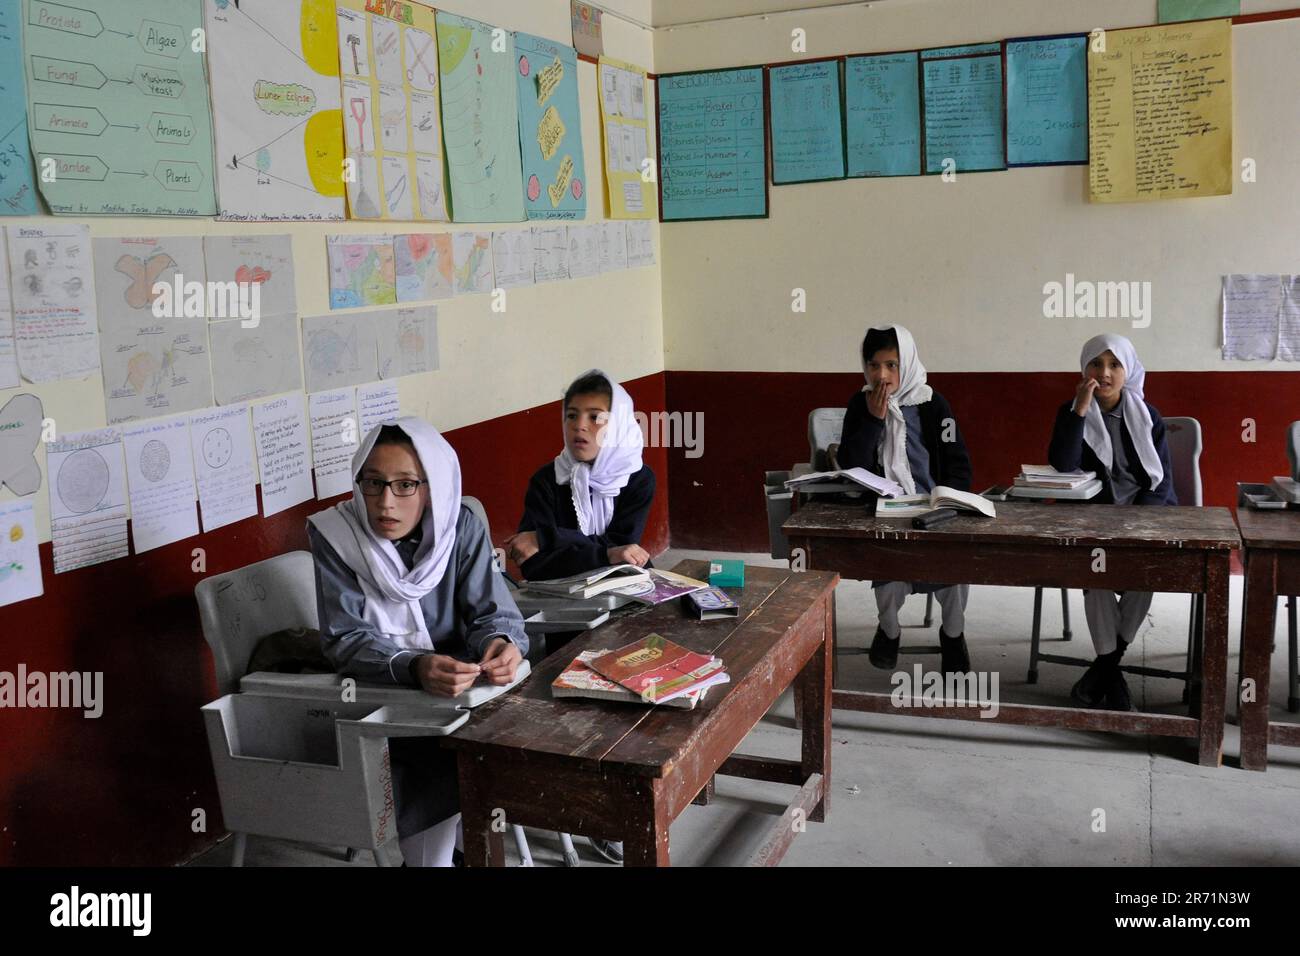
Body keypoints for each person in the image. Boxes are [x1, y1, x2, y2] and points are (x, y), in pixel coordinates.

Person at [307, 418, 527, 866]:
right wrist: (413, 666)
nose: (385, 502)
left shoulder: (459, 527)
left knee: (505, 737)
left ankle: (469, 849)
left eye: (405, 485)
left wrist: (501, 642)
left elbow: (493, 610)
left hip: (462, 693)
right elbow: (346, 639)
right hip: (380, 701)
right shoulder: (336, 535)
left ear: (433, 488)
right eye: (373, 483)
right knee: (443, 756)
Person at [836, 325, 974, 675]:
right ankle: (889, 630)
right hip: (886, 510)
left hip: (933, 510)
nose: (881, 375)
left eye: (892, 365)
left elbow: (959, 463)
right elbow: (852, 466)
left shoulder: (933, 403)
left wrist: (947, 500)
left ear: (907, 363)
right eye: (873, 365)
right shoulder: (860, 403)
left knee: (956, 571)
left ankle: (953, 635)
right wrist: (873, 419)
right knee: (889, 574)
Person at [1048, 334, 1176, 712]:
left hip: (1143, 517)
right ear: (1083, 370)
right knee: (1097, 577)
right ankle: (1111, 674)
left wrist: (1137, 525)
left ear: (1128, 370)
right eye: (1095, 364)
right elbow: (1062, 464)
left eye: (1114, 365)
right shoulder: (1071, 411)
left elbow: (1162, 481)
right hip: (1095, 520)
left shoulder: (1147, 415)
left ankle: (1104, 669)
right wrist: (1080, 411)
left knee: (1144, 575)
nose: (1103, 373)